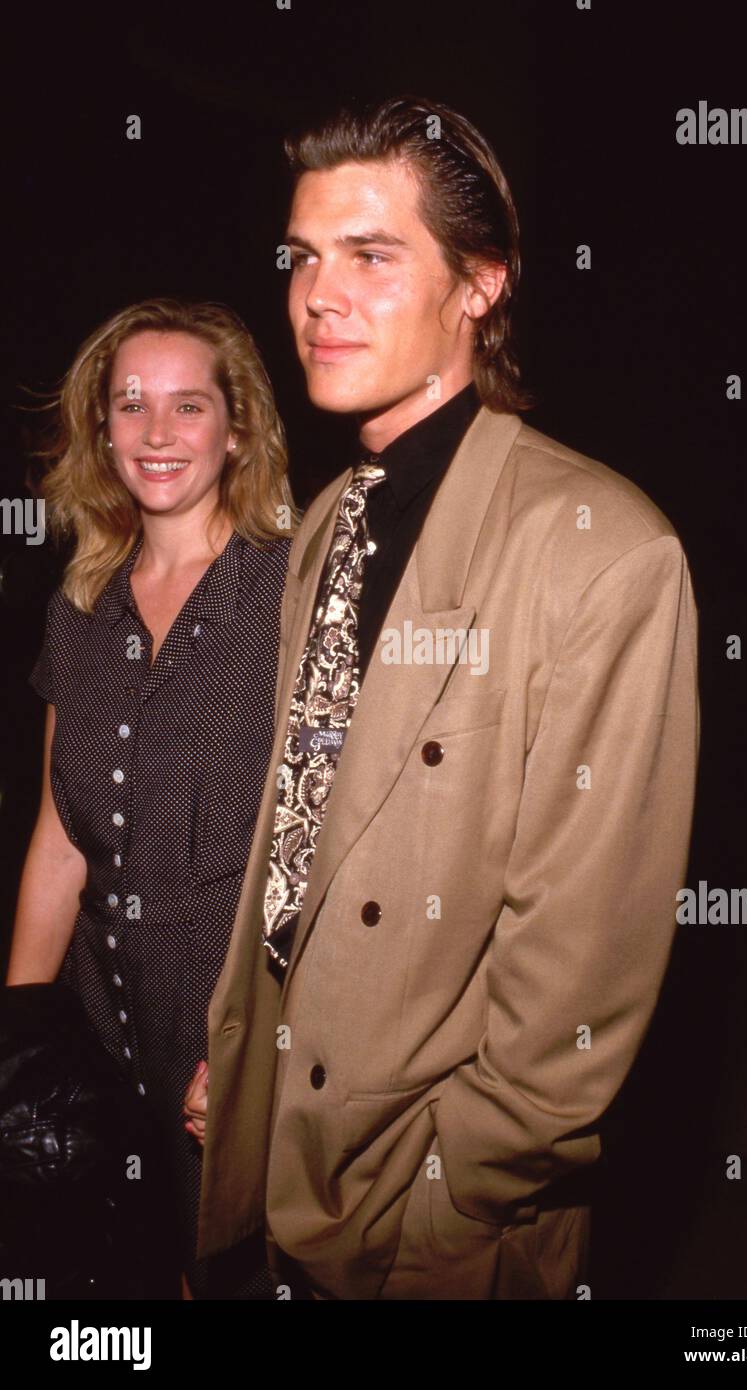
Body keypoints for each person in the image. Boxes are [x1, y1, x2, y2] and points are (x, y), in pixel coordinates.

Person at [191, 94, 700, 1300]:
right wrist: (248, 1052)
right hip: (279, 1153)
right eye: (306, 257)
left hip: (427, 1219)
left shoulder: (602, 548)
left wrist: (449, 1194)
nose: (319, 295)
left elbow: (578, 972)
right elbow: (304, 830)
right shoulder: (329, 519)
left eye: (371, 256)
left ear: (478, 284)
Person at [7, 298, 299, 1300]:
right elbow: (60, 837)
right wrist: (21, 1033)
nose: (158, 433)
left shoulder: (292, 592)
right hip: (104, 1023)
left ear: (239, 427)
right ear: (101, 428)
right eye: (131, 405)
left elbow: (337, 838)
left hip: (235, 1011)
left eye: (188, 405)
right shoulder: (78, 606)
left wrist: (264, 1031)